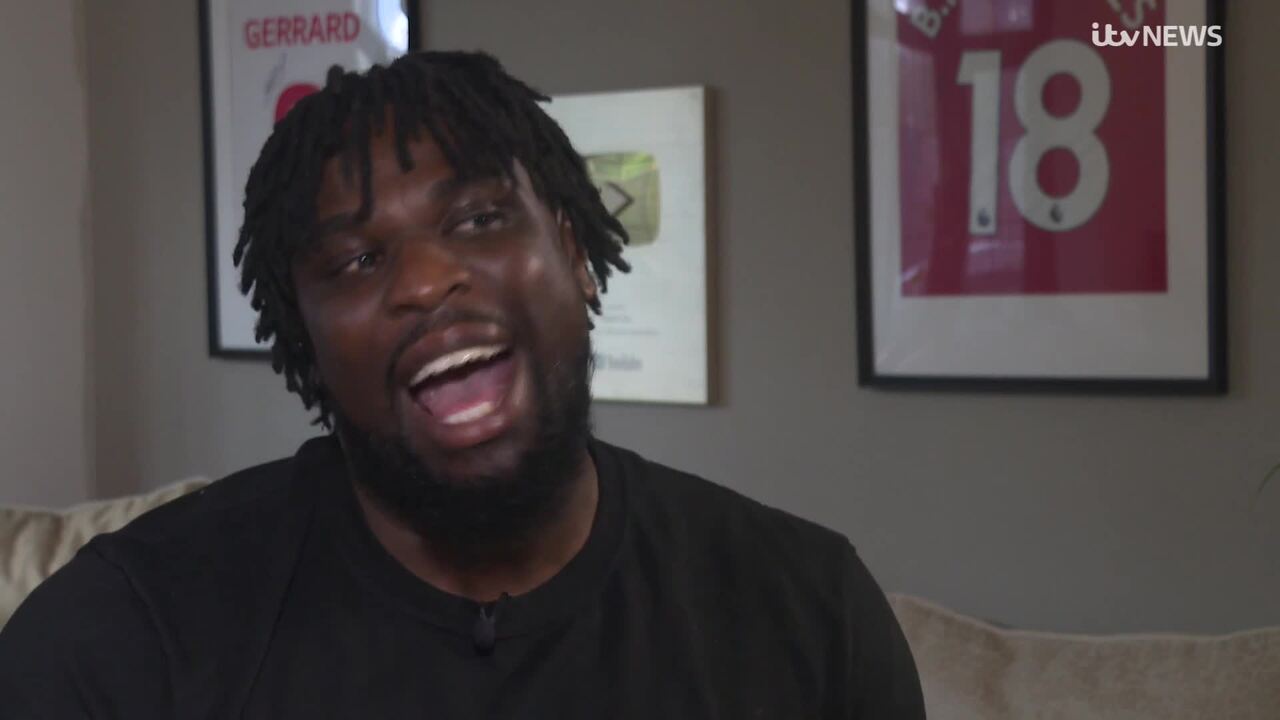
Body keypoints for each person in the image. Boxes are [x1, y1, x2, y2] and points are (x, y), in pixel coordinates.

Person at [0, 51, 924, 718]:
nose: (424, 281)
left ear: (575, 254)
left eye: (480, 218)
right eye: (356, 260)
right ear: (307, 345)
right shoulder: (120, 638)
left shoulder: (809, 613)